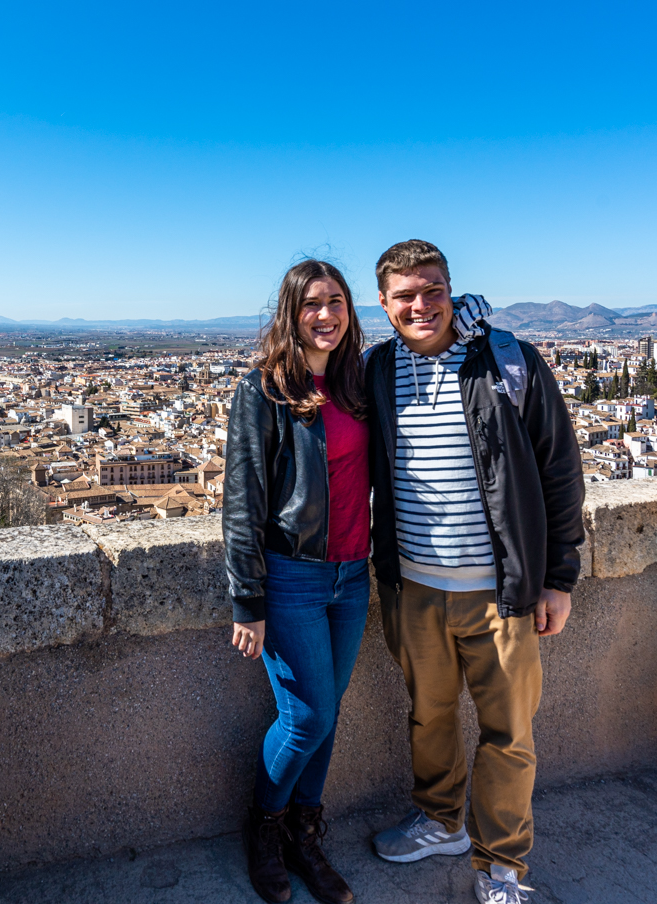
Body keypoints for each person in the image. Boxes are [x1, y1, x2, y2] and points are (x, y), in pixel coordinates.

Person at [365, 240, 583, 904]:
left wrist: (559, 578)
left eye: (433, 289)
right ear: (384, 304)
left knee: (508, 734)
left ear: (452, 290)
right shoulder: (375, 369)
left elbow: (559, 467)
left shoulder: (504, 359)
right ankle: (440, 821)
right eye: (405, 294)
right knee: (427, 717)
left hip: (501, 592)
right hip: (413, 588)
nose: (421, 305)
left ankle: (502, 868)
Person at [224, 259, 370, 904]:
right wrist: (247, 600)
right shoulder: (265, 390)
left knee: (328, 715)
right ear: (291, 311)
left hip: (354, 574)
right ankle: (265, 827)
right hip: (292, 577)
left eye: (336, 301)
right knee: (307, 716)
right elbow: (242, 500)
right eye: (312, 303)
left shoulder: (356, 383)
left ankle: (305, 836)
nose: (326, 315)